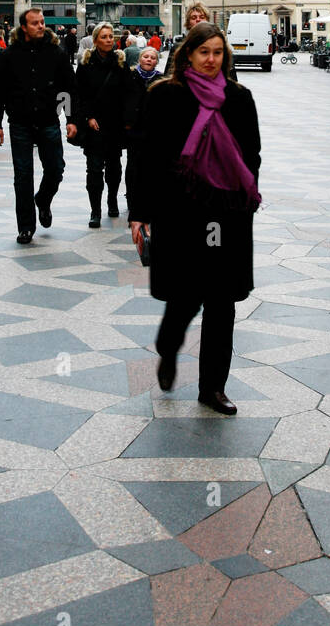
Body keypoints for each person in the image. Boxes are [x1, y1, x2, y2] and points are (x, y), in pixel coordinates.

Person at [129, 23, 261, 416]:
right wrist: (140, 213)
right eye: (204, 52)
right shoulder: (165, 96)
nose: (211, 59)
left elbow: (252, 155)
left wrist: (244, 194)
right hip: (180, 211)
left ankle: (213, 388)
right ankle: (168, 349)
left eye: (218, 52)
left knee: (223, 303)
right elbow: (142, 157)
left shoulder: (238, 98)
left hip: (228, 214)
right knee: (184, 297)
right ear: (188, 54)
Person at [0, 8, 79, 244]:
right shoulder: (9, 55)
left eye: (42, 22)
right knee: (23, 175)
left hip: (48, 120)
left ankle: (43, 199)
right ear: (24, 27)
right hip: (20, 122)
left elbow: (68, 88)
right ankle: (26, 226)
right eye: (35, 23)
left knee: (55, 168)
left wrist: (70, 119)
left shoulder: (56, 52)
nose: (41, 26)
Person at [76, 22, 133, 227]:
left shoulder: (120, 63)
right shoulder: (85, 64)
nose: (109, 40)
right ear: (95, 39)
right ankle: (95, 210)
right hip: (94, 124)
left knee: (114, 167)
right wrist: (87, 117)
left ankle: (112, 199)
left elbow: (129, 93)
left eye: (111, 36)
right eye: (104, 36)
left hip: (115, 124)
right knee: (93, 169)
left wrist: (127, 120)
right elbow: (79, 94)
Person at [123, 46, 161, 212]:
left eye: (152, 58)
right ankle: (131, 197)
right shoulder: (130, 76)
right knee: (132, 164)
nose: (149, 59)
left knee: (151, 165)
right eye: (146, 56)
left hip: (153, 130)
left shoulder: (161, 79)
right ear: (140, 59)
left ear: (156, 62)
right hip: (133, 127)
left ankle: (149, 198)